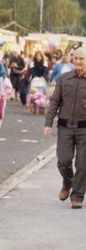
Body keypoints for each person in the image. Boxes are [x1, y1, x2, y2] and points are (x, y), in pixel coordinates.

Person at [44, 47, 86, 209]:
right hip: (65, 127)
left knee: (83, 165)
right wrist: (48, 124)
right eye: (76, 58)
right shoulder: (64, 78)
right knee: (63, 161)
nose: (79, 61)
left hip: (84, 129)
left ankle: (77, 196)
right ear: (72, 59)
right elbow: (55, 102)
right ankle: (68, 182)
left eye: (82, 58)